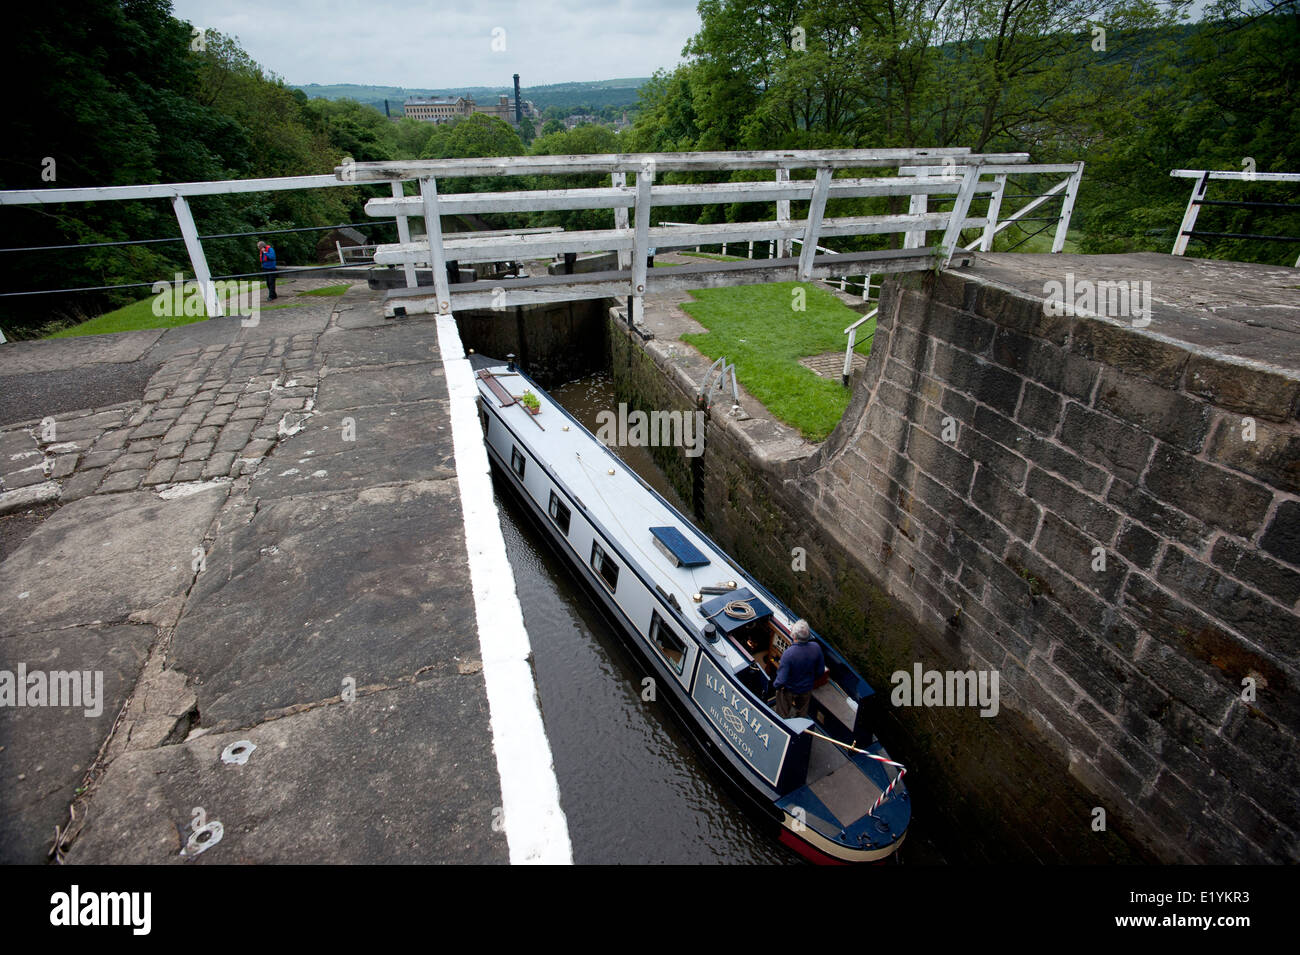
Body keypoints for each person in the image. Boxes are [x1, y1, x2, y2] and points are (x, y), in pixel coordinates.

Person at [773, 619, 824, 719]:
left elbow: (781, 681)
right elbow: (820, 672)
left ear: (794, 636)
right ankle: (800, 726)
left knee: (782, 713)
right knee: (802, 713)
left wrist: (775, 685)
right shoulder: (816, 648)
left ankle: (782, 724)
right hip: (806, 689)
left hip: (789, 689)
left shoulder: (788, 654)